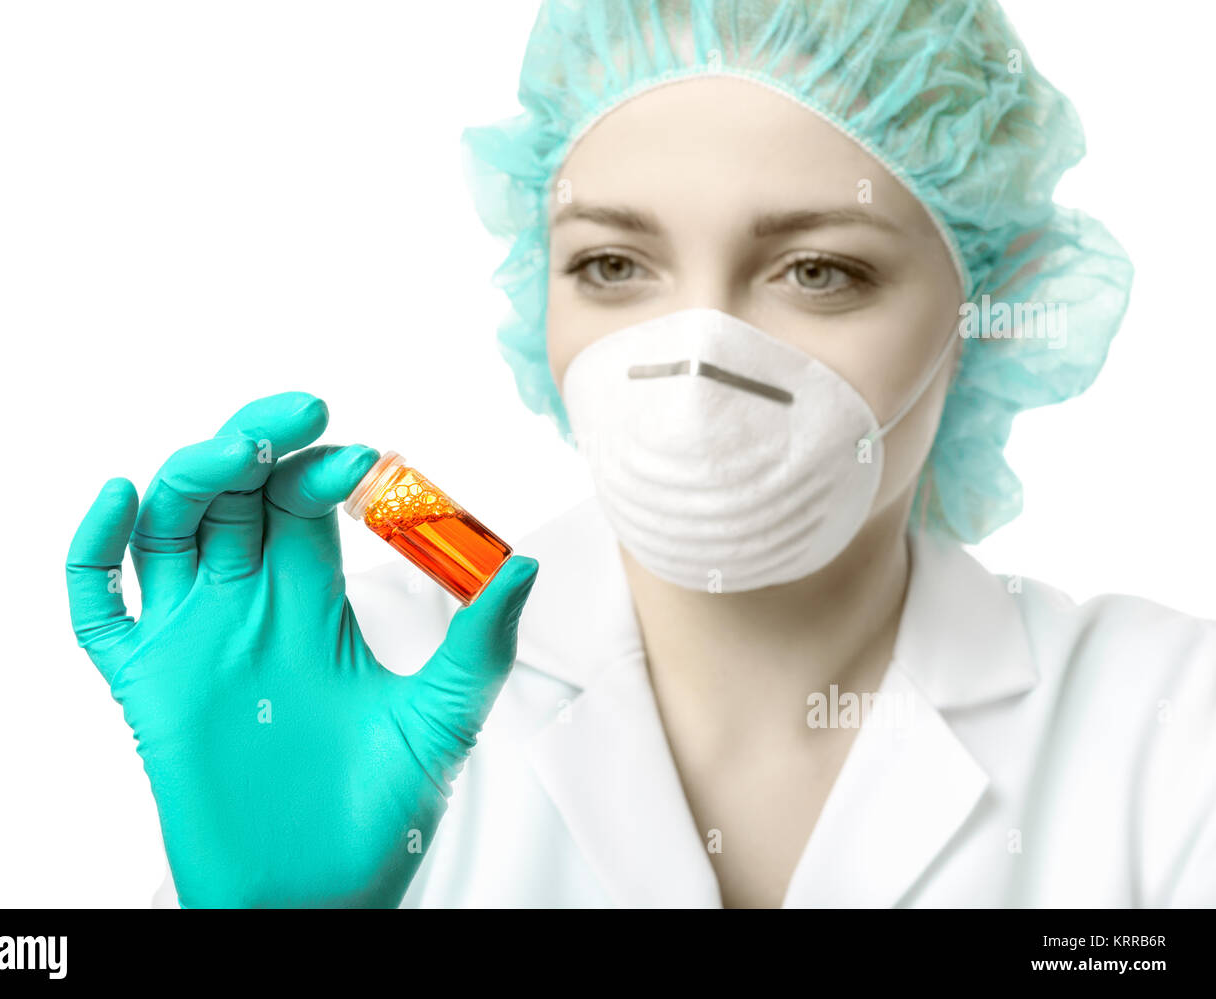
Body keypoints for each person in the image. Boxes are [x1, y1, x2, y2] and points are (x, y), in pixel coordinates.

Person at [66, 0, 1214, 908]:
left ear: (984, 310)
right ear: (541, 285)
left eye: (819, 270)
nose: (697, 358)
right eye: (615, 266)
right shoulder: (355, 672)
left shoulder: (1170, 725)